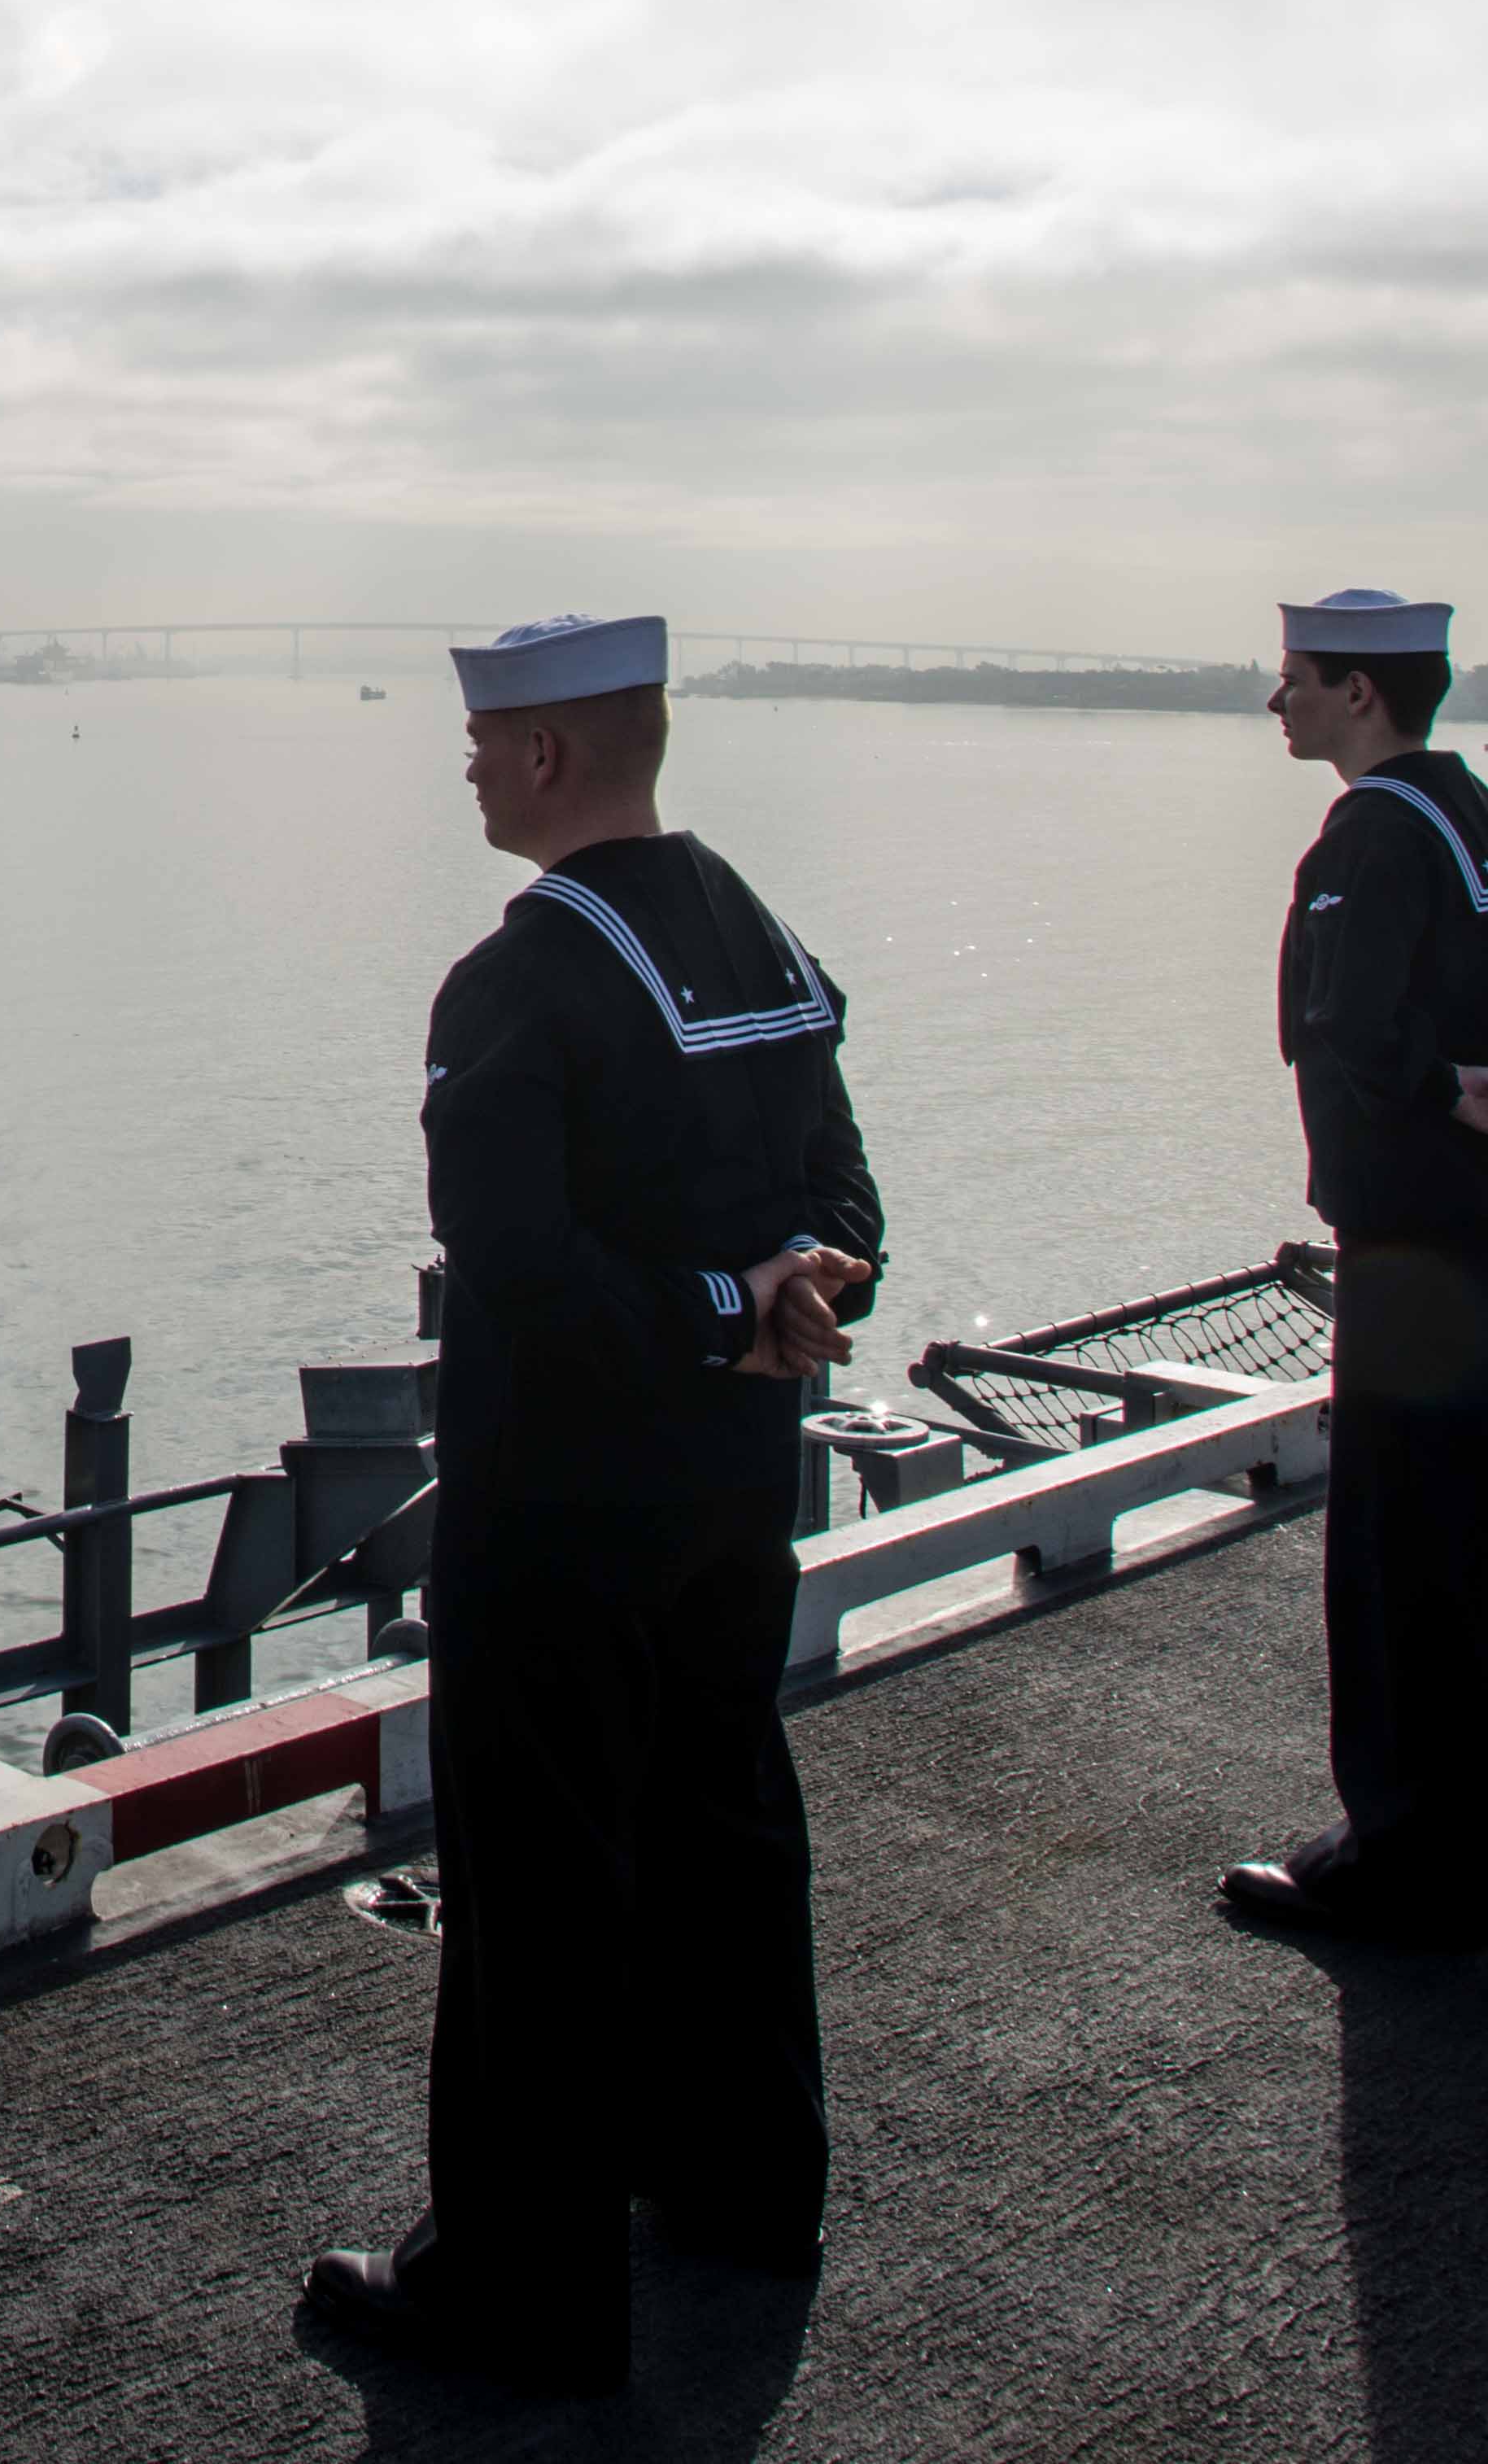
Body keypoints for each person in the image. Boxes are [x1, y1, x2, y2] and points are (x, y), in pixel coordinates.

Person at [306, 612, 884, 2394]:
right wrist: (800, 1290)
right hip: (728, 1489)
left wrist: (723, 1303)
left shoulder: (521, 975)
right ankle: (740, 2183)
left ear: (548, 751)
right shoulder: (760, 935)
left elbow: (513, 1263)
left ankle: (517, 2286)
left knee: (536, 1874)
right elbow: (847, 1195)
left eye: (484, 739)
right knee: (720, 1810)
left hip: (556, 1501)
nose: (468, 765)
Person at [1220, 588, 1488, 1956]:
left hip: (1407, 1236)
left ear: (1361, 695)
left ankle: (1402, 1855)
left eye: (1297, 679)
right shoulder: (1482, 816)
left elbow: (1348, 1025)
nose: (1280, 702)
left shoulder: (1374, 833)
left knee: (1403, 1543)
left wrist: (1446, 1085)